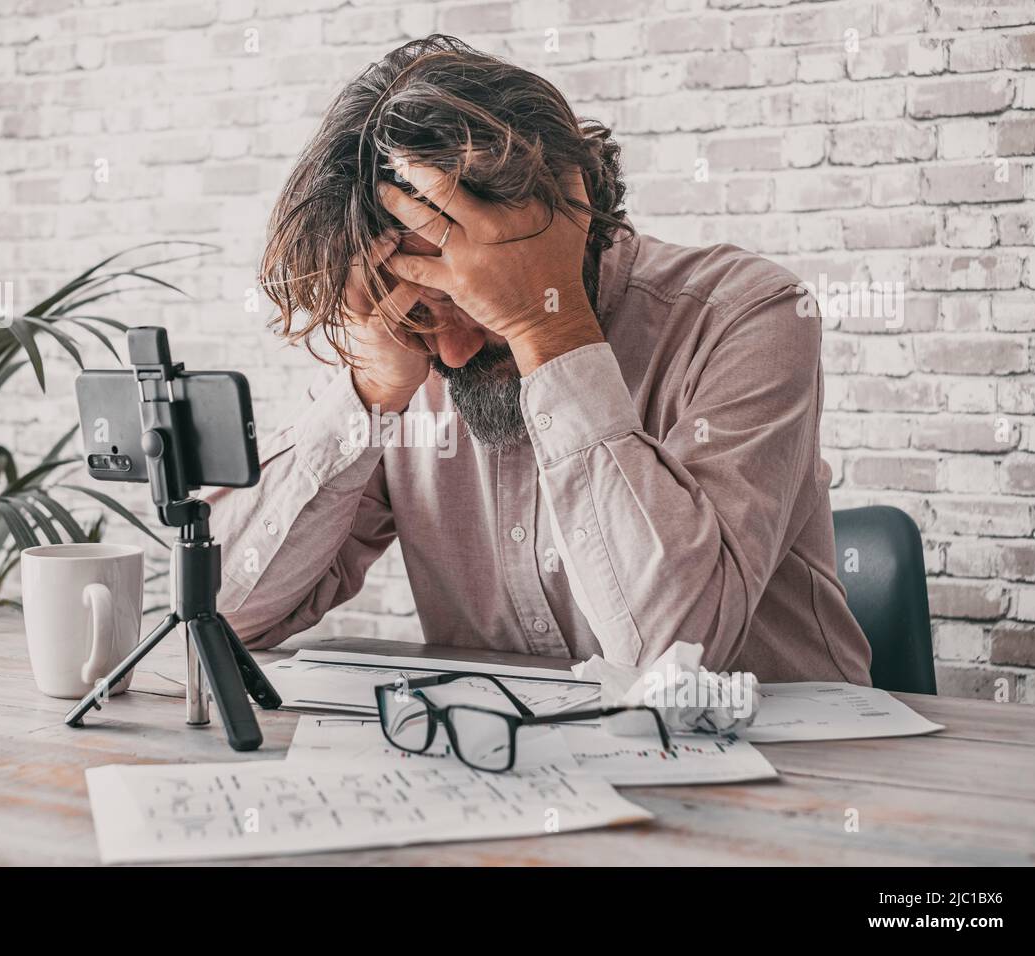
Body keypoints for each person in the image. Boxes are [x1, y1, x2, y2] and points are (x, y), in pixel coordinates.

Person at [206, 35, 871, 683]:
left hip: (790, 774)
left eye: (470, 300)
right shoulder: (414, 357)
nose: (455, 351)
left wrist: (547, 331)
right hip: (516, 774)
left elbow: (675, 654)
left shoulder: (744, 316)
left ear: (568, 204)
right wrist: (370, 390)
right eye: (418, 315)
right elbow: (222, 618)